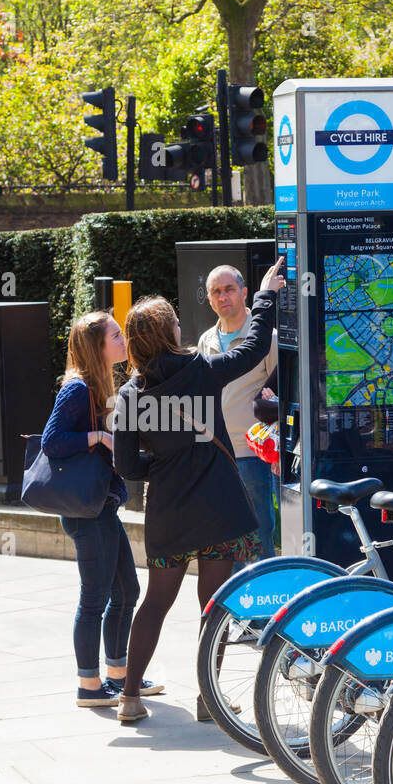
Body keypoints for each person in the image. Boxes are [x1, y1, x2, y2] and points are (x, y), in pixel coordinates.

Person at [112, 257, 285, 724]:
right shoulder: (200, 369)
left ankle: (129, 696)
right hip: (217, 506)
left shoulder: (131, 393)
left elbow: (126, 466)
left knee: (155, 603)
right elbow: (252, 351)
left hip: (168, 511)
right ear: (170, 332)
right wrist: (266, 294)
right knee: (214, 605)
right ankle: (208, 700)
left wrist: (165, 465)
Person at [41, 312, 154, 708]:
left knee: (126, 591)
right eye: (116, 335)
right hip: (86, 512)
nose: (123, 340)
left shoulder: (98, 384)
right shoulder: (77, 390)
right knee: (96, 597)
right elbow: (52, 441)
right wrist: (99, 436)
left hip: (100, 506)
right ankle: (88, 685)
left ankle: (119, 675)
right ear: (96, 345)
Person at [196, 265, 279, 568]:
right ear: (209, 298)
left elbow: (283, 397)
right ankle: (236, 611)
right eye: (216, 291)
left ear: (245, 292)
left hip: (251, 456)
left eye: (229, 289)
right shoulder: (206, 341)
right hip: (216, 456)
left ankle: (267, 609)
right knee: (225, 542)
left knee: (258, 538)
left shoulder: (266, 339)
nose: (223, 296)